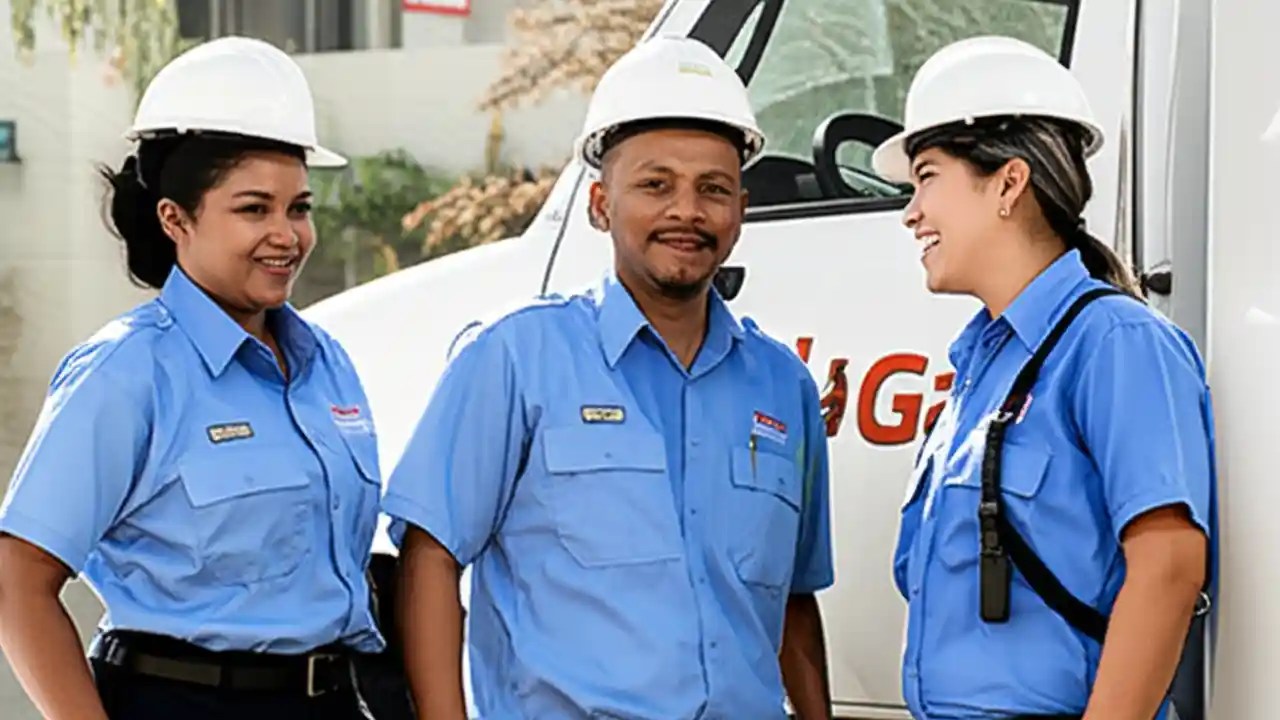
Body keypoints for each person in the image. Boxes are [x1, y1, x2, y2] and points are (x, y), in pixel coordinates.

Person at [382, 36, 835, 719]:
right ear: (599, 204)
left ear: (740, 211)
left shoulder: (784, 388)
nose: (687, 211)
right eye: (656, 185)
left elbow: (795, 601)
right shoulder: (516, 359)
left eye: (713, 189)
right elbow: (430, 554)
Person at [0, 36, 386, 719]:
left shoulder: (327, 362)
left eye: (299, 208)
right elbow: (18, 581)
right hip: (180, 702)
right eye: (254, 208)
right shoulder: (127, 373)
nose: (287, 235)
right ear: (175, 218)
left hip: (330, 698)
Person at [873, 36, 1217, 720]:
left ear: (1009, 182)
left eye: (927, 177)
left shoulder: (1115, 343)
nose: (911, 212)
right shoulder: (982, 367)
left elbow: (1169, 565)